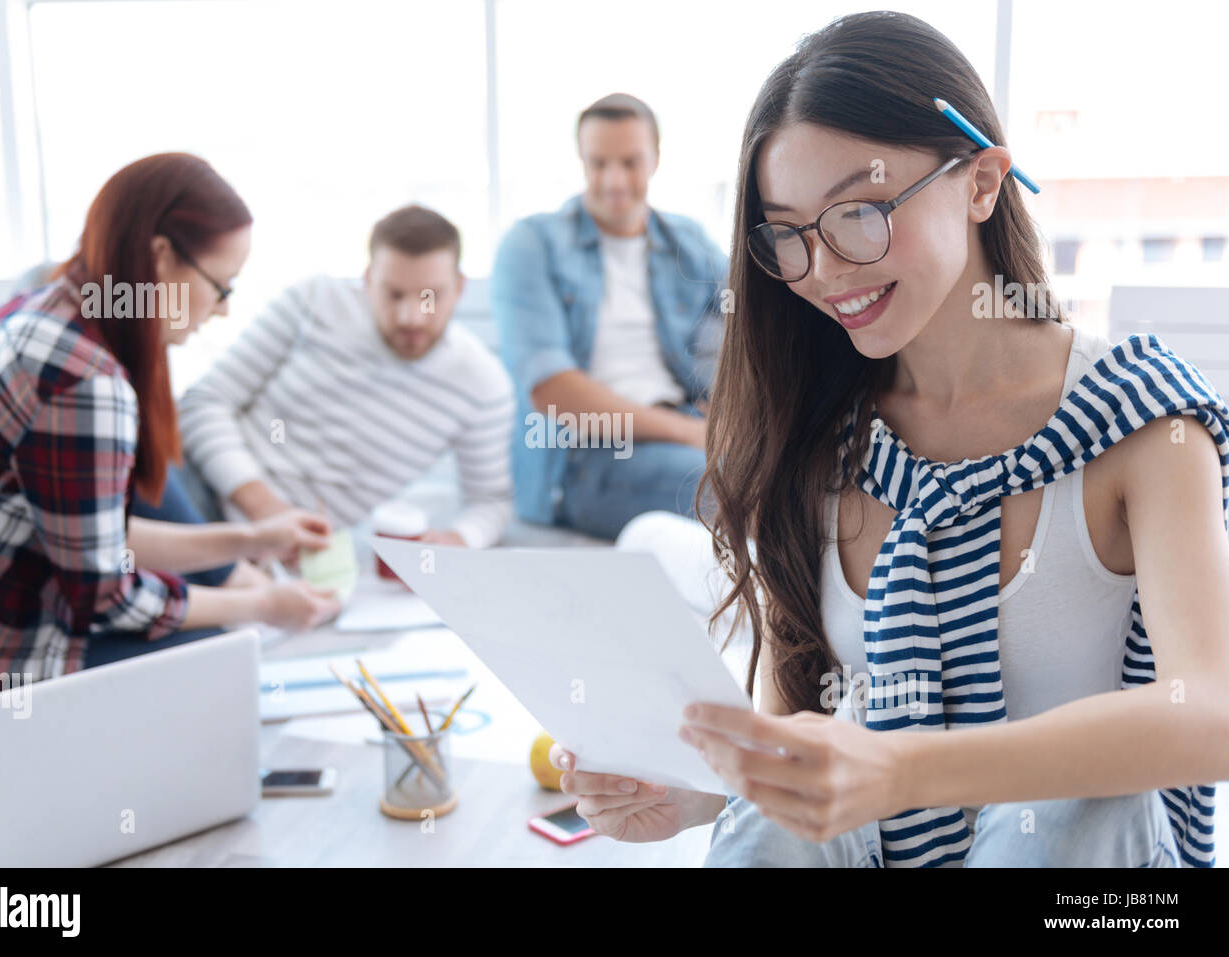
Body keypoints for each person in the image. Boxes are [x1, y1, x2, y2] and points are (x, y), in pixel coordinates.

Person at [551, 11, 1229, 867]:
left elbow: (1209, 713)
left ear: (981, 183)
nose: (825, 270)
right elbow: (801, 734)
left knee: (1074, 810)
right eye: (789, 234)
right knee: (769, 825)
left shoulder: (1144, 421)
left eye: (860, 213)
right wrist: (693, 792)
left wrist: (910, 769)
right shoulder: (816, 435)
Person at [0, 153, 341, 778]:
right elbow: (107, 597)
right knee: (214, 655)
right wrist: (262, 608)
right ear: (160, 259)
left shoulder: (44, 311)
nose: (222, 310)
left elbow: (94, 539)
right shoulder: (86, 382)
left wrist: (251, 538)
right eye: (222, 286)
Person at [178, 205, 515, 549]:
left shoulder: (483, 385)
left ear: (459, 288)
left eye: (430, 297)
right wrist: (266, 511)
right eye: (394, 294)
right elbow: (204, 401)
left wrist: (458, 539)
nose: (411, 317)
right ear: (368, 280)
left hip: (276, 556)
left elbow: (491, 500)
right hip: (194, 491)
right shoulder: (314, 300)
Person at [492, 93, 728, 540]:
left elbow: (747, 333)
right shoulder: (531, 245)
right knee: (738, 487)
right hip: (586, 453)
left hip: (686, 430)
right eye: (598, 164)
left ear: (655, 159)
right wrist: (691, 432)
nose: (614, 181)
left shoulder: (689, 243)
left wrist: (727, 414)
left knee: (805, 472)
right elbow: (553, 394)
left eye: (629, 163)